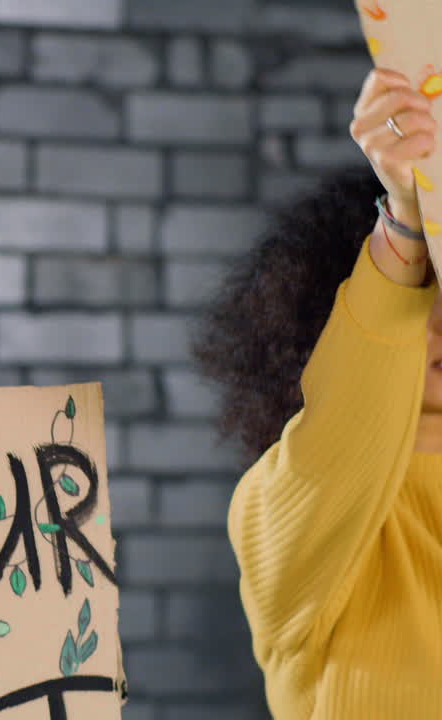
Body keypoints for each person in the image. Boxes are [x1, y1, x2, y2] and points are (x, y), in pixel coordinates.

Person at [195, 68, 442, 718]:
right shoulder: (277, 507)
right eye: (421, 284)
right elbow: (350, 429)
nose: (436, 315)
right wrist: (407, 223)